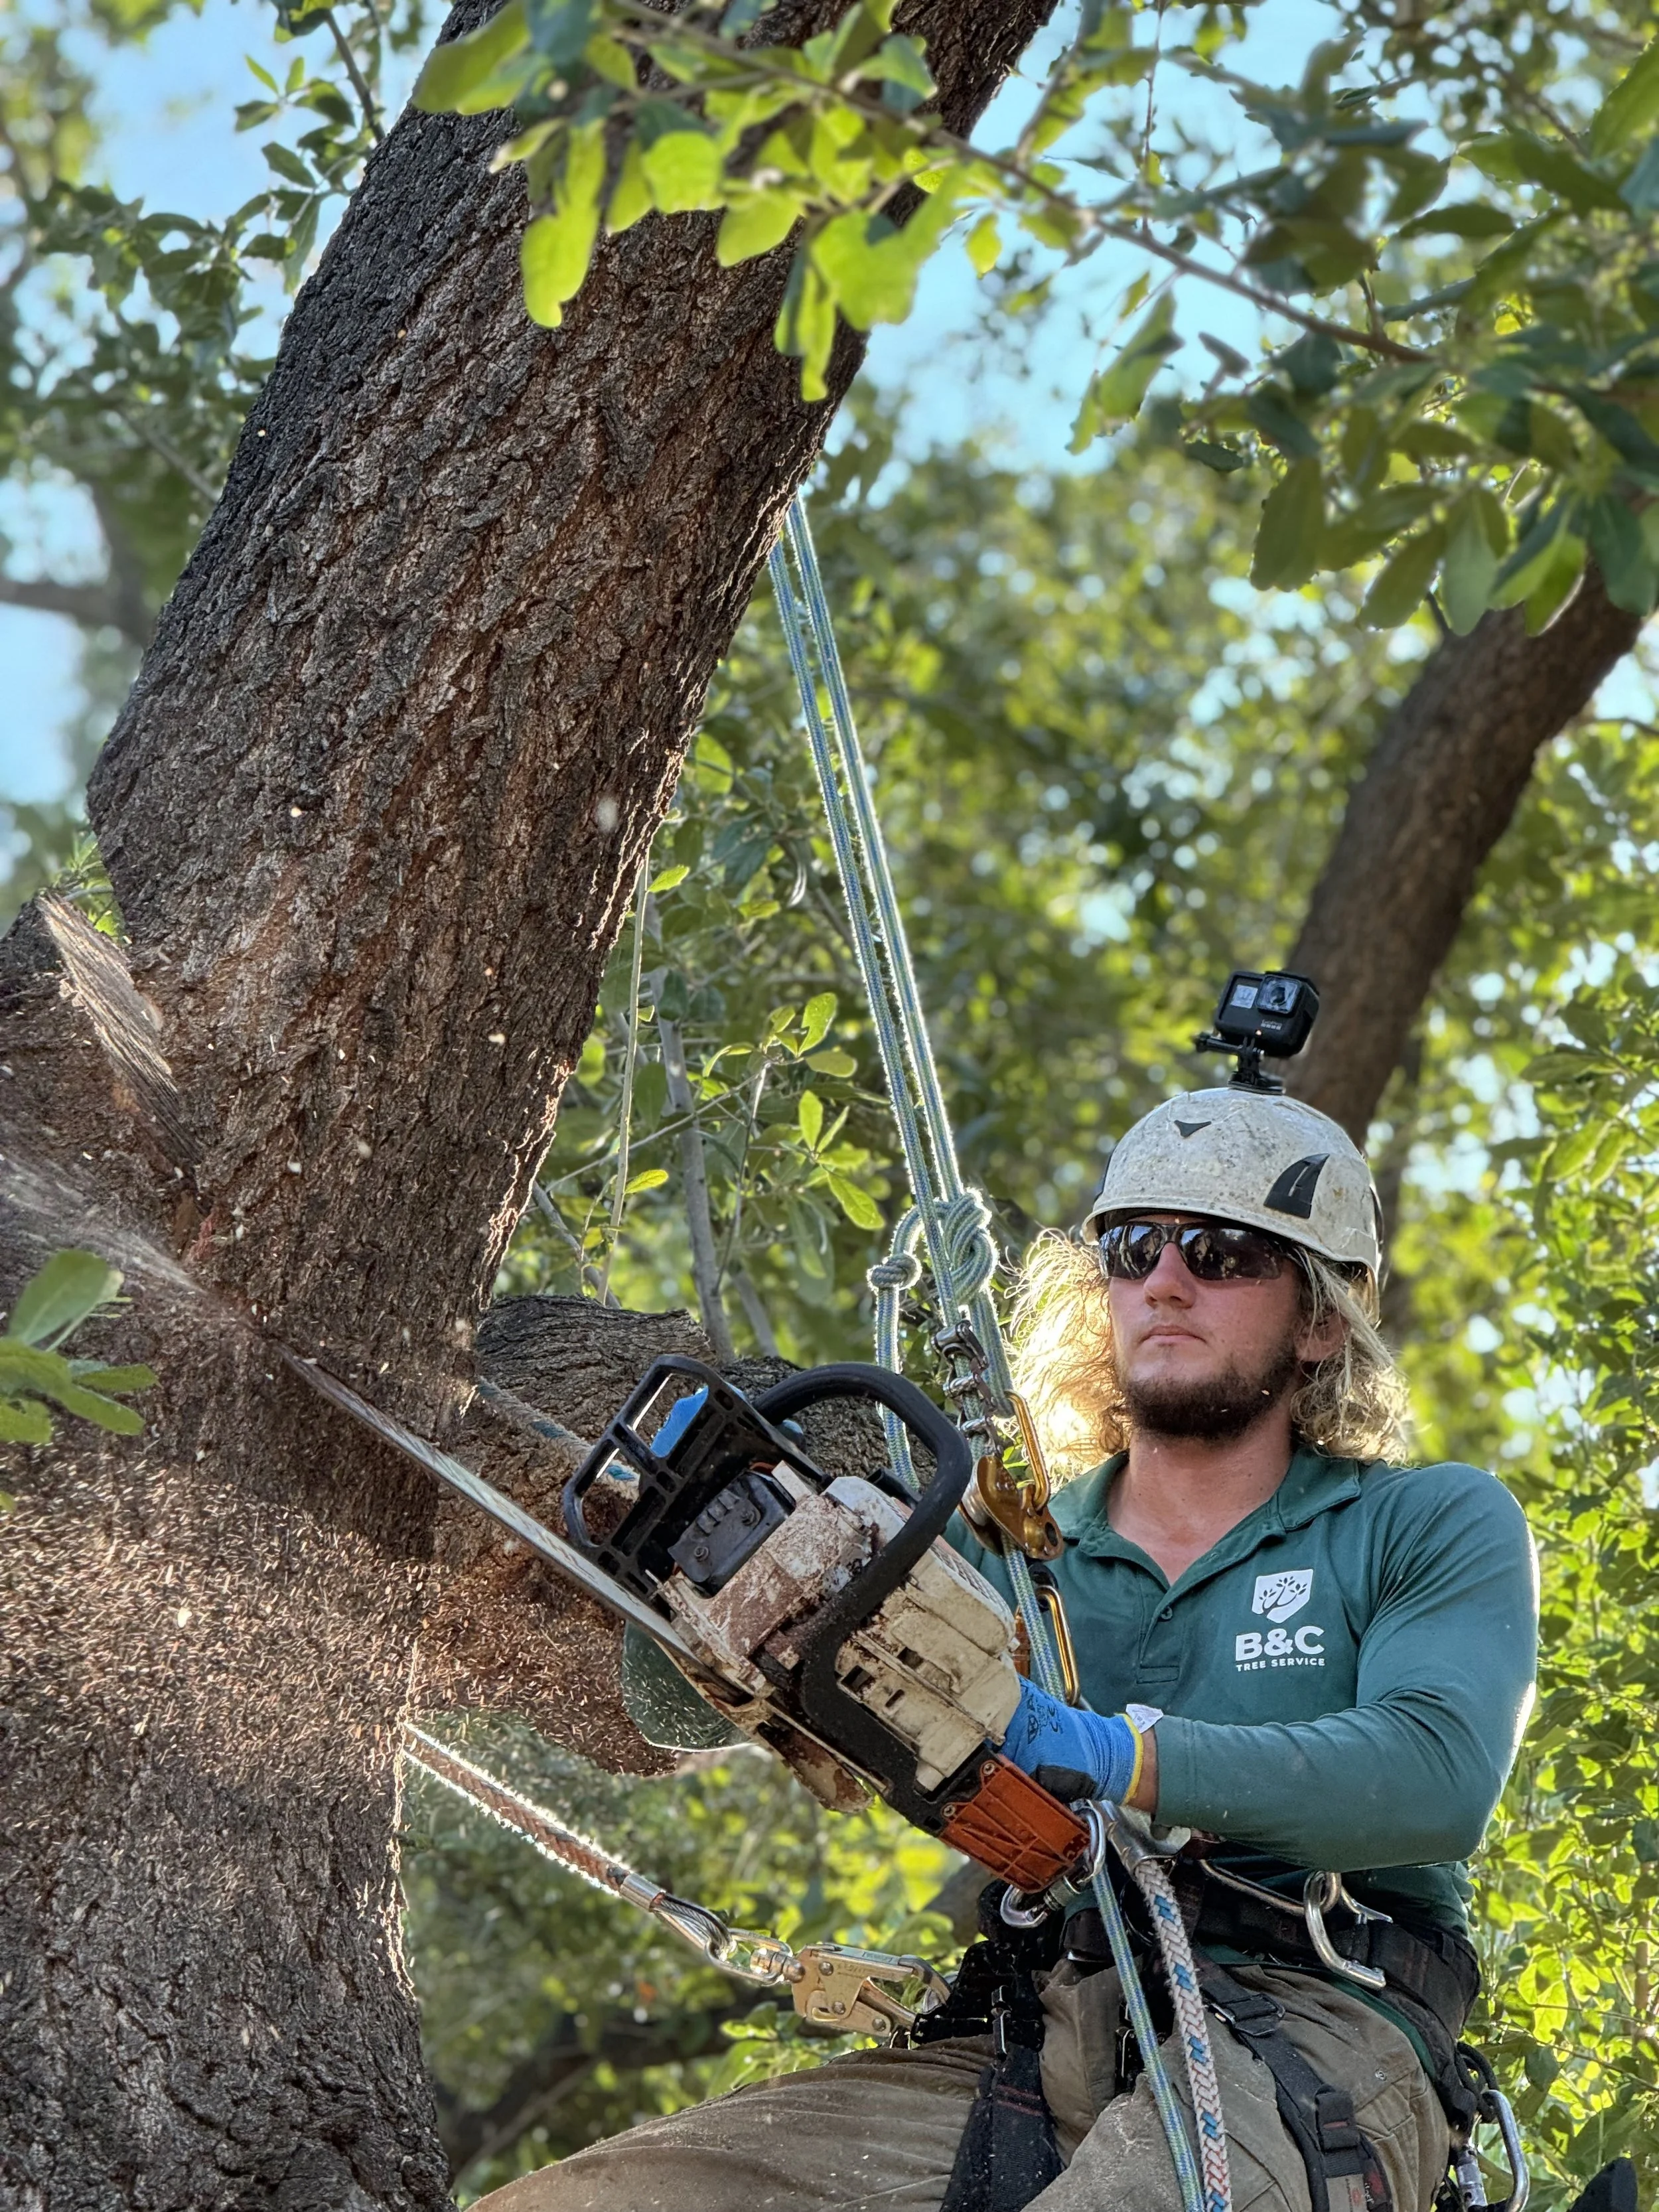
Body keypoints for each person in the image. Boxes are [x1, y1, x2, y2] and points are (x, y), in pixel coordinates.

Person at [478, 1086, 1538, 2212]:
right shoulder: (1006, 1554)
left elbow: (1437, 1775)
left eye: (1223, 1253)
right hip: (1039, 2021)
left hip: (1317, 2027)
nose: (1166, 1281)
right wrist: (695, 1620)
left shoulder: (1420, 1521)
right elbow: (684, 1720)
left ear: (1323, 1320)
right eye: (1135, 1249)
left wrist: (1107, 1751)